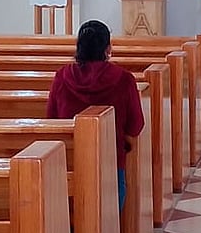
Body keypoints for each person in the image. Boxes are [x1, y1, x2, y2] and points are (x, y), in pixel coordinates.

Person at [46, 20, 145, 209]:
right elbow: (136, 125)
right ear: (108, 48)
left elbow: (51, 120)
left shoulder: (62, 76)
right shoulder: (124, 79)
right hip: (110, 162)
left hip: (70, 164)